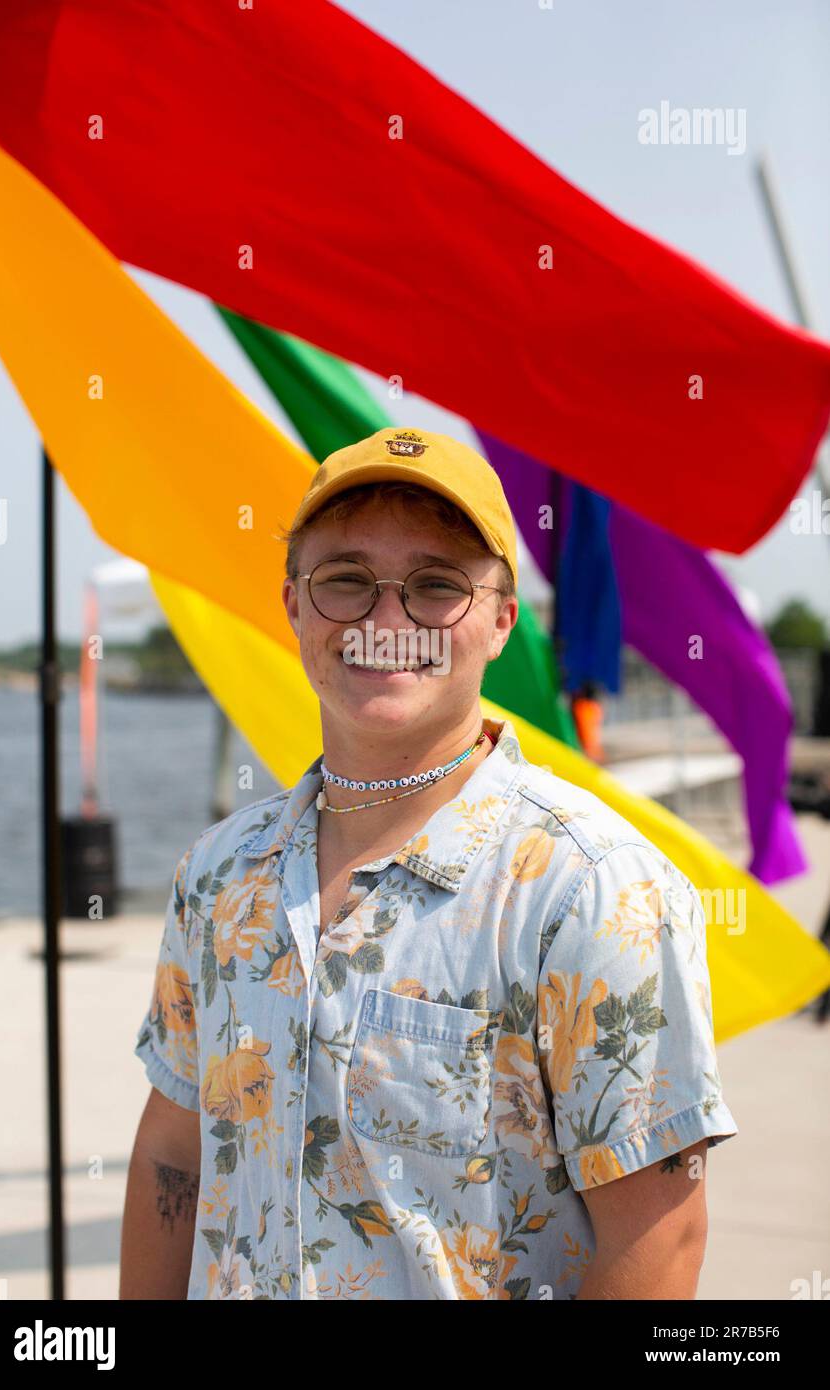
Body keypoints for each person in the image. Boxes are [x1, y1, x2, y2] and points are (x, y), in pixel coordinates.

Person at [120, 426, 737, 1300]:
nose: (385, 620)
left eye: (436, 585)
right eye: (345, 580)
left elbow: (661, 1234)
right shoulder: (219, 874)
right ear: (294, 605)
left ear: (499, 621)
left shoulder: (590, 889)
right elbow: (173, 1152)